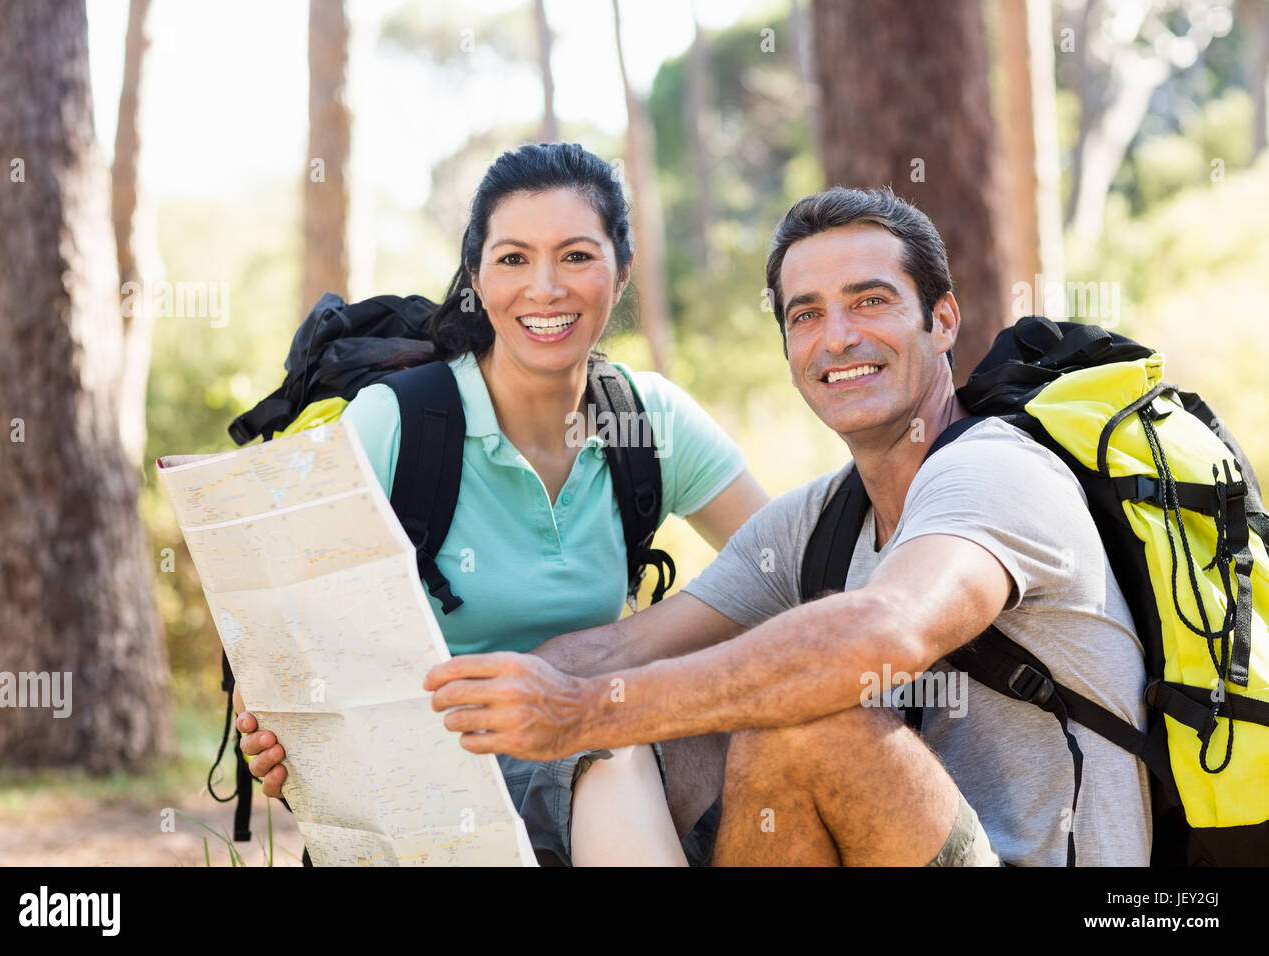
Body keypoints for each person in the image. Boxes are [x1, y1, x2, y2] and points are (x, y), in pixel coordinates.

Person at [423, 185, 1153, 866]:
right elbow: (619, 646)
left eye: (869, 301)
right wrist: (402, 724)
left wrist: (587, 713)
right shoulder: (820, 520)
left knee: (807, 729)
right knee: (666, 734)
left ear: (942, 322)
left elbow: (881, 633)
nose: (837, 339)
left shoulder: (997, 472)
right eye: (805, 315)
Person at [233, 142, 770, 867]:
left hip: (600, 747)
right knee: (608, 745)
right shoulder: (397, 423)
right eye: (514, 259)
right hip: (434, 777)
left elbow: (786, 568)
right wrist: (277, 731)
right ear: (478, 278)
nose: (544, 288)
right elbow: (290, 634)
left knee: (693, 736)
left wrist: (628, 653)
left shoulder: (648, 421)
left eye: (577, 256)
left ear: (622, 272)